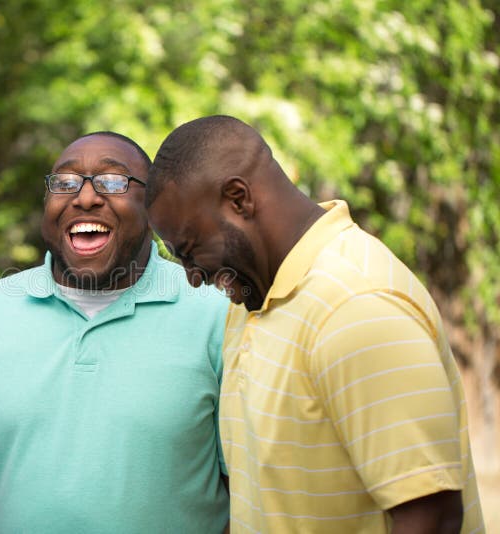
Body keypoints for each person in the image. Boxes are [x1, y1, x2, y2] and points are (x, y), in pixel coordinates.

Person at [145, 115, 485, 533]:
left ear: (239, 199)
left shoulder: (356, 305)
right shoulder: (254, 299)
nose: (192, 276)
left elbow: (433, 518)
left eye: (191, 249)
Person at [0, 132, 230, 533]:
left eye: (113, 181)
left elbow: (249, 490)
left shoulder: (217, 316)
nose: (85, 197)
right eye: (65, 182)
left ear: (153, 207)